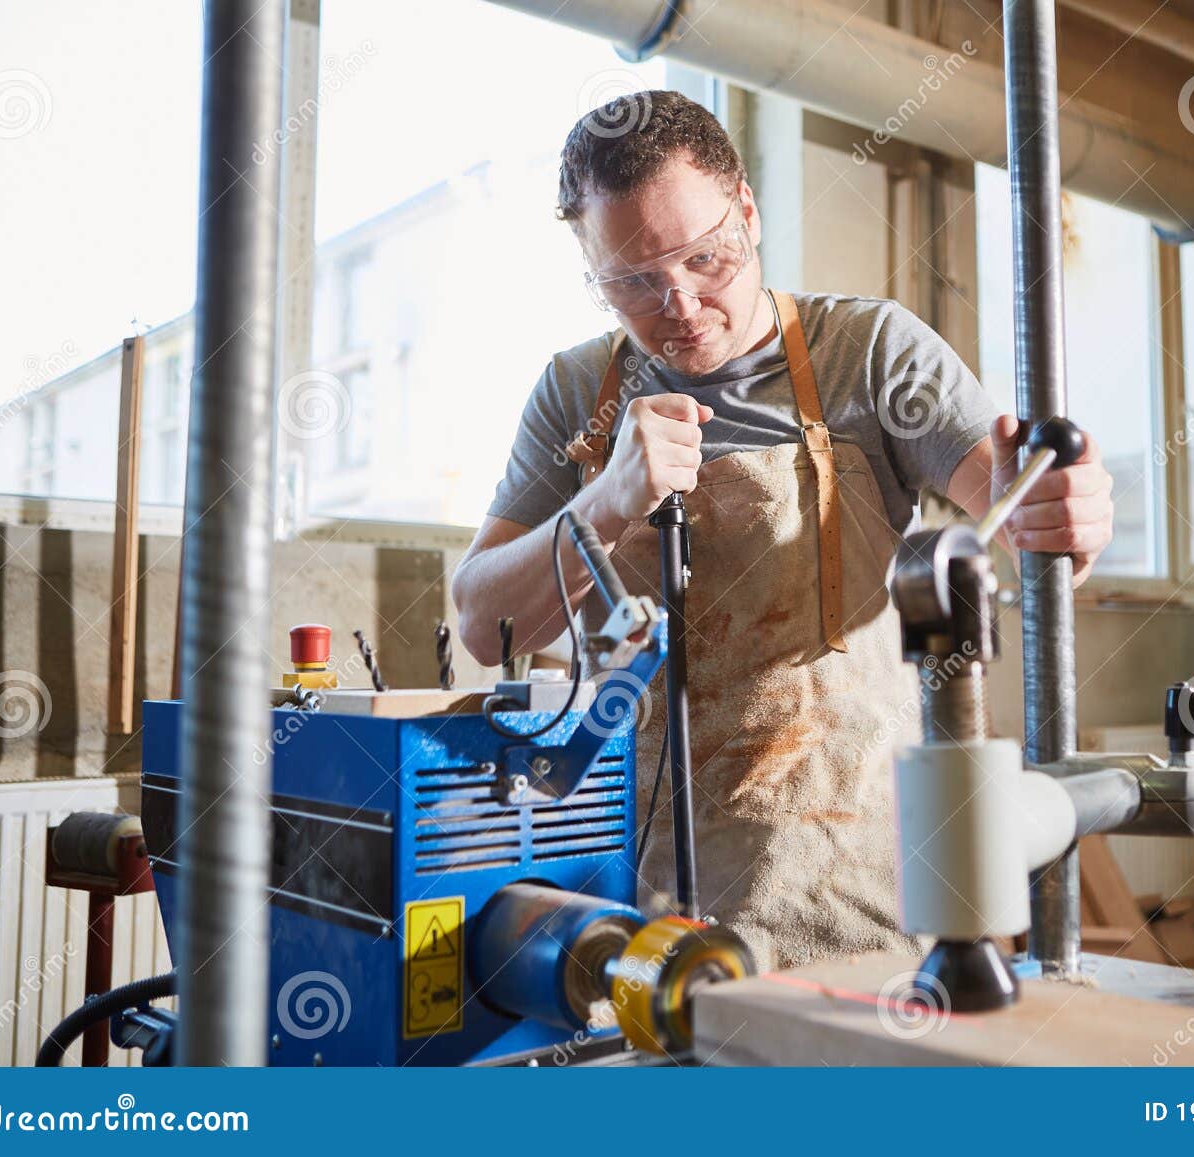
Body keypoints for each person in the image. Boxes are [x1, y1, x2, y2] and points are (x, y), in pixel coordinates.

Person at [452, 90, 1113, 970]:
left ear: (749, 212)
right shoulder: (577, 395)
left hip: (860, 892)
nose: (680, 303)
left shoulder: (870, 352)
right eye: (634, 282)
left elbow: (1019, 508)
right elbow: (482, 624)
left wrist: (1064, 516)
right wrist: (603, 502)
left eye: (705, 256)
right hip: (636, 909)